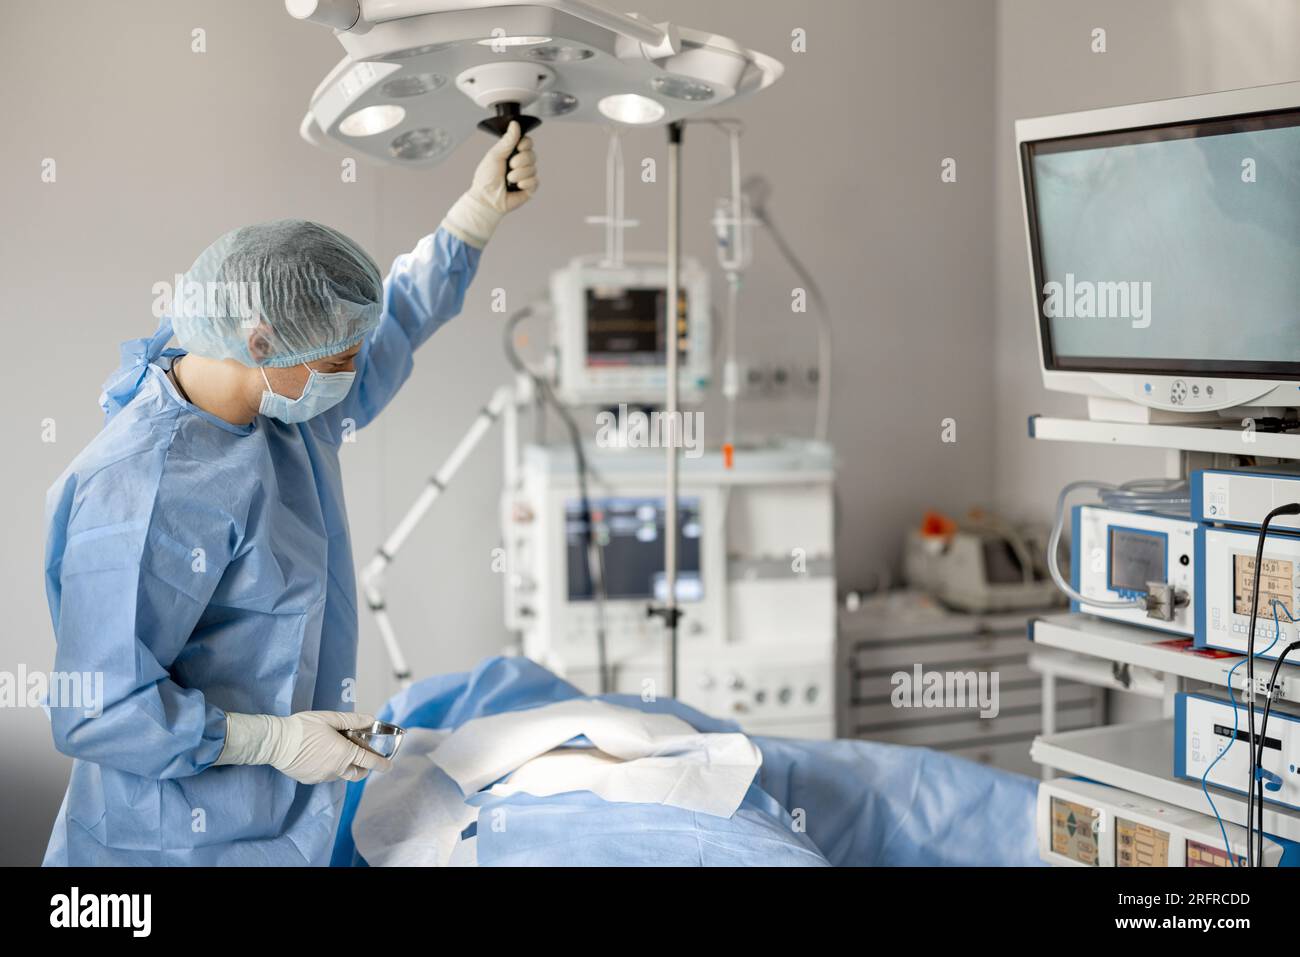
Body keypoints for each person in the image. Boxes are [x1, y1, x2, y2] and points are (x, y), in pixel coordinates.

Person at [40, 123, 538, 866]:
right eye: (338, 359)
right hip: (159, 846)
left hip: (275, 825)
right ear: (264, 341)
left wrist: (474, 214)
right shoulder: (139, 490)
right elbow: (97, 707)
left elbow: (387, 328)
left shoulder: (276, 401)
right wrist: (268, 738)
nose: (350, 372)